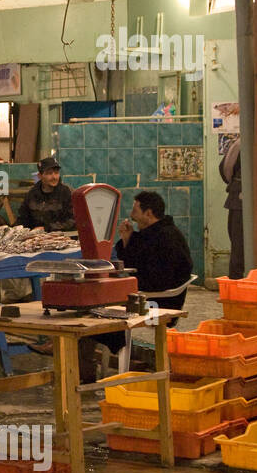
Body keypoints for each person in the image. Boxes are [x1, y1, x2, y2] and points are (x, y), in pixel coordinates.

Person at [81, 191, 193, 382]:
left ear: (148, 213)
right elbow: (136, 262)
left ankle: (85, 372)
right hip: (148, 293)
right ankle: (85, 371)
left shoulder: (167, 239)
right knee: (92, 305)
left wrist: (126, 287)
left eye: (135, 211)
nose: (132, 215)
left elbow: (158, 279)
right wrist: (127, 239)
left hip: (158, 302)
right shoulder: (152, 233)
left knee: (94, 312)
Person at [15, 156, 76, 231]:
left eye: (56, 173)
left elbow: (73, 221)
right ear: (40, 176)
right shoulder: (32, 194)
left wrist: (46, 229)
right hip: (37, 239)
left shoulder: (67, 193)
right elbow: (23, 219)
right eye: (49, 173)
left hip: (62, 238)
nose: (54, 177)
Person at [221, 136, 243, 279]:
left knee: (238, 250)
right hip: (240, 199)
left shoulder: (240, 143)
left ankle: (237, 290)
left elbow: (226, 169)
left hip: (238, 199)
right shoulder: (241, 143)